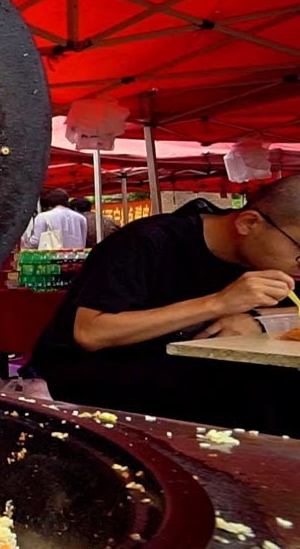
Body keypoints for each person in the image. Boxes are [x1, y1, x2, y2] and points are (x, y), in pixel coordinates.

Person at [32, 178, 300, 434]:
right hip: (104, 386)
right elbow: (91, 332)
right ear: (248, 223)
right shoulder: (147, 242)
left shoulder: (274, 256)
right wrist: (218, 303)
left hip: (205, 380)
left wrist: (256, 317)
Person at [22, 189, 88, 250]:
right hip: (77, 258)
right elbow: (83, 242)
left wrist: (24, 243)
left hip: (52, 258)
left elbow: (36, 242)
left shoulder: (43, 217)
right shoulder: (81, 218)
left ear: (49, 203)